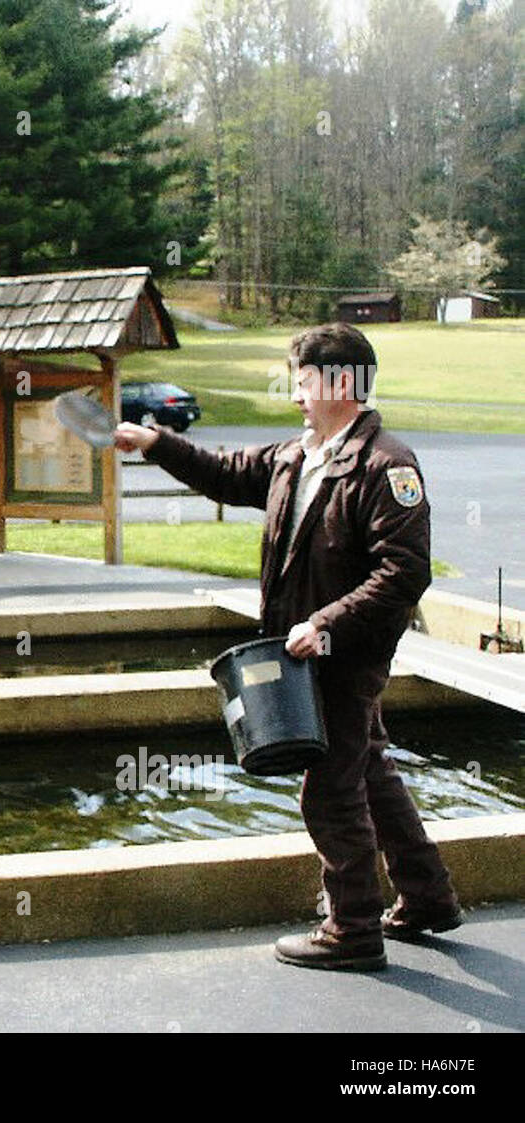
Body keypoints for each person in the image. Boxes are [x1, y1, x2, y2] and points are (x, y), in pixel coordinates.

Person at [114, 322, 460, 971]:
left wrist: (326, 621)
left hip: (342, 655)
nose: (295, 391)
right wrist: (154, 441)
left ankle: (352, 930)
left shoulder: (388, 465)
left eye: (301, 378)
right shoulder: (296, 456)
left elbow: (405, 572)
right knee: (371, 770)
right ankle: (427, 897)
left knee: (329, 790)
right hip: (302, 652)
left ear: (336, 382)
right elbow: (223, 474)